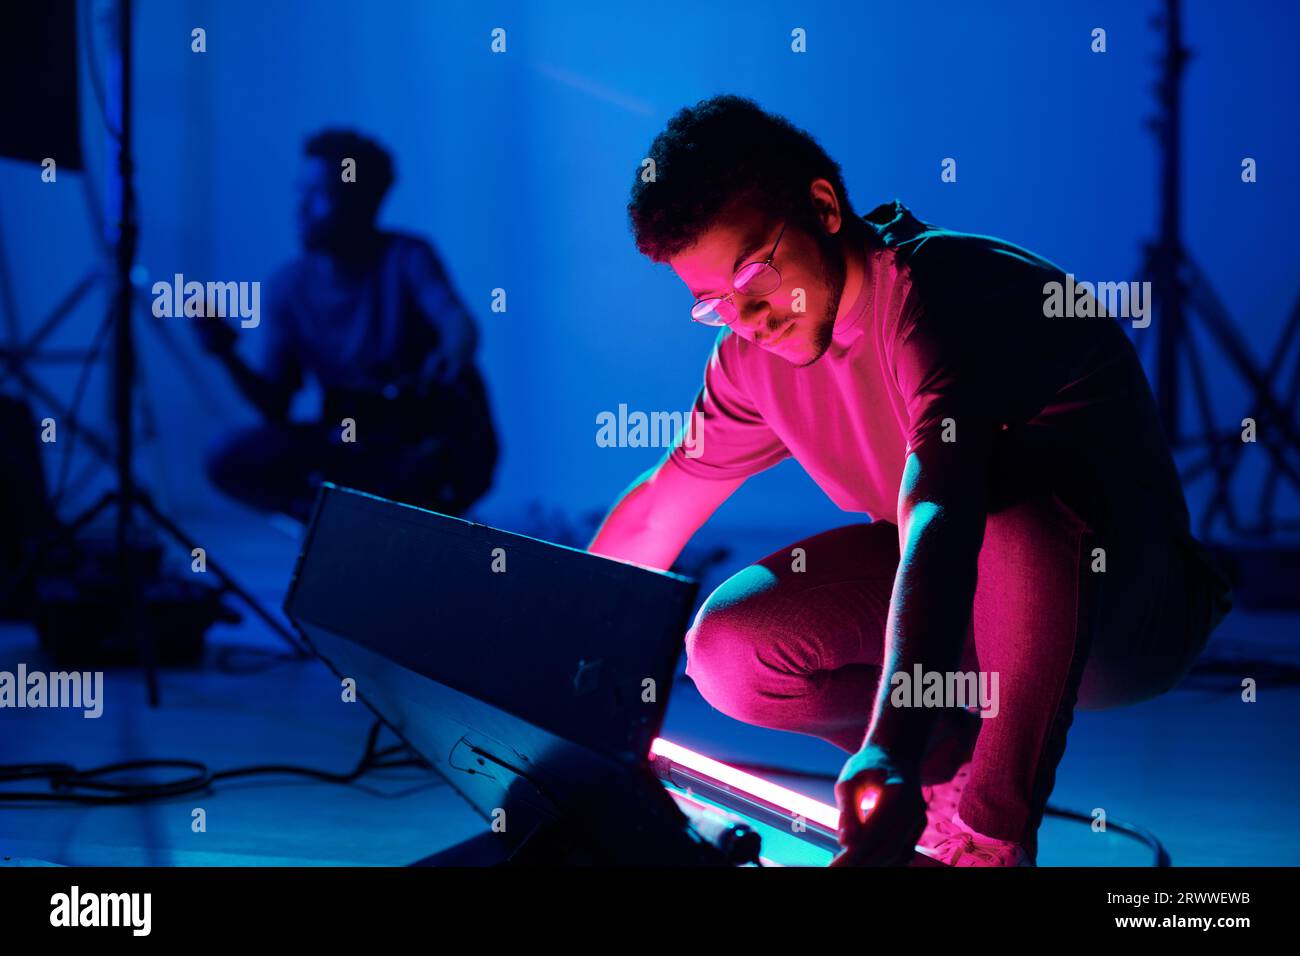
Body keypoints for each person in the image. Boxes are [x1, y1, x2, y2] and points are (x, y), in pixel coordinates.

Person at [587, 95, 1233, 866]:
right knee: (727, 645)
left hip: (1125, 613)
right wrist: (553, 672)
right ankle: (944, 760)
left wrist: (888, 744)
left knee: (1006, 493)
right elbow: (663, 506)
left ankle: (990, 834)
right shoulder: (752, 357)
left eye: (755, 272)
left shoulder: (945, 291)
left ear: (824, 207)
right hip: (958, 609)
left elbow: (942, 508)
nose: (748, 316)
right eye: (713, 304)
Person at [196, 129, 498, 522]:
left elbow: (456, 320)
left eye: (319, 195)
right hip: (351, 439)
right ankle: (334, 525)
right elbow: (276, 405)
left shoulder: (406, 257)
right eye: (299, 193)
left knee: (417, 471)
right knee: (230, 459)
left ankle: (381, 523)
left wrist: (452, 354)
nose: (301, 209)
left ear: (361, 203)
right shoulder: (288, 287)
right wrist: (226, 354)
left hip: (423, 437)